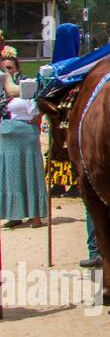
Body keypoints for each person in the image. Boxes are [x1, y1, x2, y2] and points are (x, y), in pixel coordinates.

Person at [1, 51, 47, 228]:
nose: (8, 71)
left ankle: (35, 215)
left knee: (30, 172)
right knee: (10, 176)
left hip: (25, 133)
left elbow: (36, 110)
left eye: (10, 68)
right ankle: (14, 213)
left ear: (17, 67)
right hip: (6, 134)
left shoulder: (27, 84)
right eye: (5, 68)